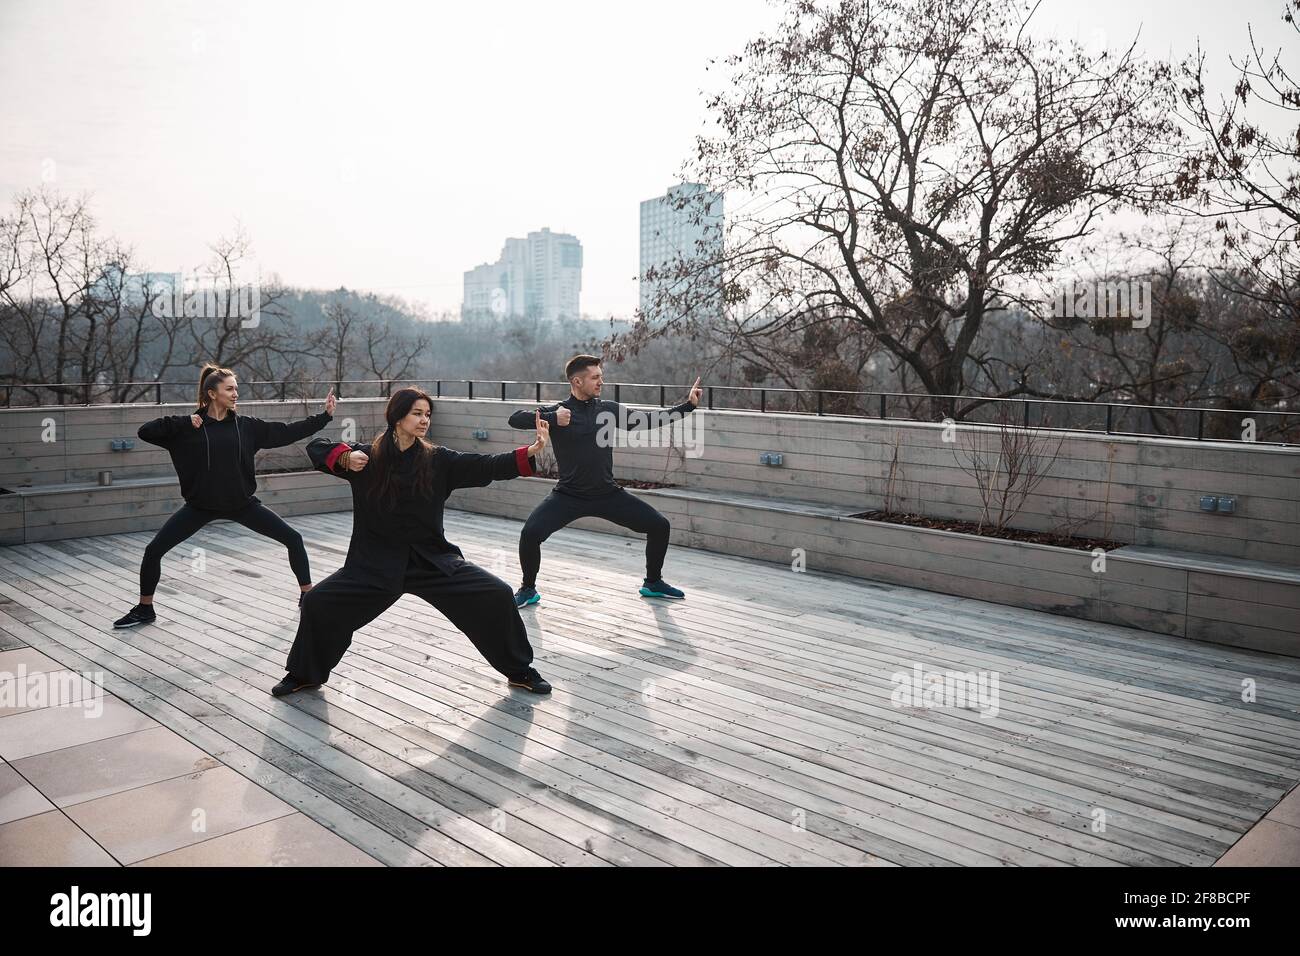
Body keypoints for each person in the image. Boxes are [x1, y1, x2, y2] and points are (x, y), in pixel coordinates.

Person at [272, 386, 553, 698]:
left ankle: (519, 672)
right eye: (417, 413)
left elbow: (484, 465)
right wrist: (345, 457)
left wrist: (528, 452)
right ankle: (303, 675)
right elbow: (317, 448)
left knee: (497, 593)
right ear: (397, 416)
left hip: (432, 562)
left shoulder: (438, 461)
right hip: (374, 565)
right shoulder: (366, 459)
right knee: (317, 603)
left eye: (427, 415)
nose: (424, 420)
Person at [114, 364, 335, 628]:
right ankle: (145, 609)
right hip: (199, 507)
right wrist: (184, 421)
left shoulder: (246, 427)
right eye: (229, 389)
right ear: (211, 393)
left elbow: (286, 432)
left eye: (236, 389)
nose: (235, 394)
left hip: (242, 505)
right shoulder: (188, 429)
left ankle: (307, 595)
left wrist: (324, 417)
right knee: (153, 551)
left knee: (293, 539)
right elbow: (145, 431)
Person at [507, 354, 701, 607]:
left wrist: (688, 406)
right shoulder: (559, 412)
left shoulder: (607, 409)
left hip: (607, 494)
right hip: (568, 496)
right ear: (577, 381)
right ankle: (528, 589)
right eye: (595, 377)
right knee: (530, 534)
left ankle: (653, 582)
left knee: (659, 525)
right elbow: (514, 418)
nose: (601, 381)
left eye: (601, 376)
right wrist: (553, 419)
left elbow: (648, 420)